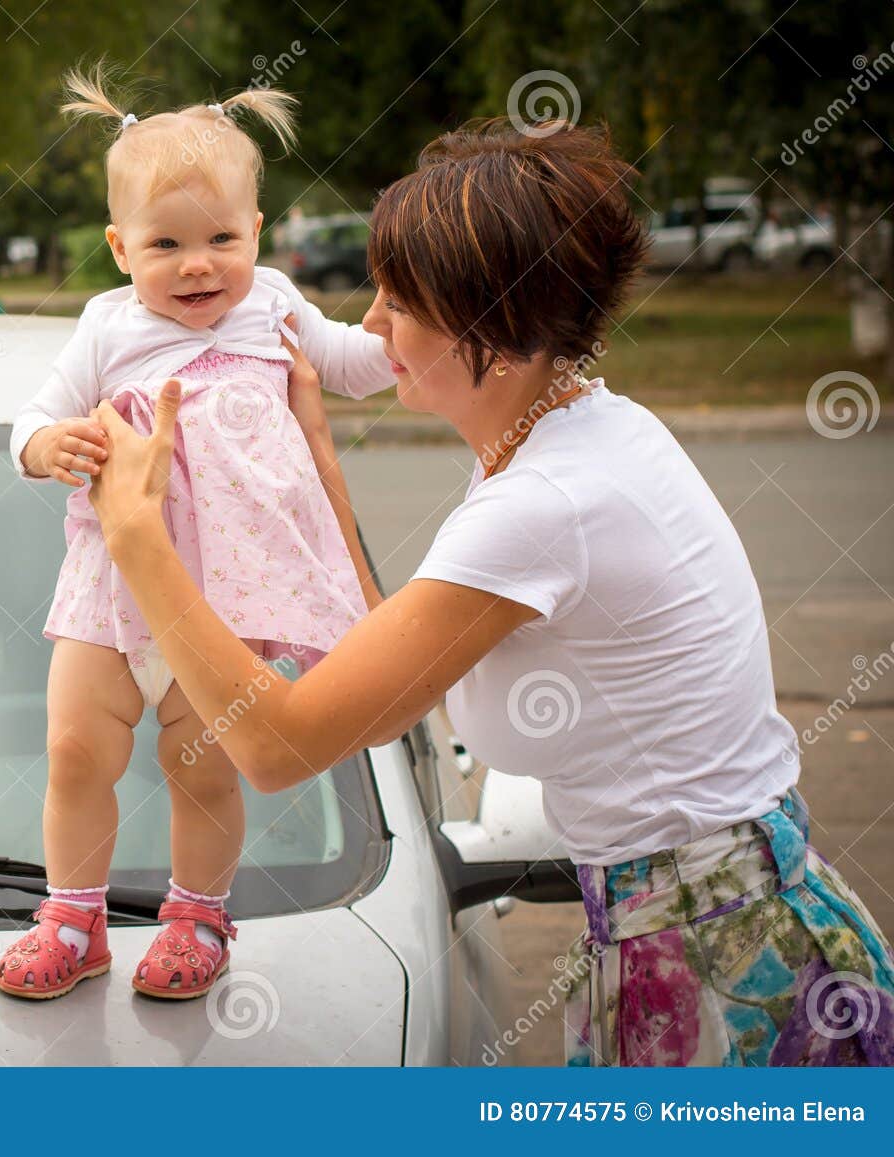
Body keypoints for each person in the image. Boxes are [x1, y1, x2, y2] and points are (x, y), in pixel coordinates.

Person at [83, 117, 894, 1064]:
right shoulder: (573, 435)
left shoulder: (546, 502)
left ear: (493, 335)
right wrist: (321, 465)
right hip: (703, 920)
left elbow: (271, 746)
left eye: (399, 303)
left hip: (720, 957)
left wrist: (138, 538)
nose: (371, 326)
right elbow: (390, 696)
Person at [0, 68, 396, 1001]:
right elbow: (27, 422)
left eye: (222, 238)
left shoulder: (279, 308)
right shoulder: (105, 326)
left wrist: (406, 317)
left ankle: (196, 914)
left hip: (223, 601)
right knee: (73, 751)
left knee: (201, 761)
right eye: (165, 244)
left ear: (260, 232)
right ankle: (73, 916)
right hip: (107, 589)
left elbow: (362, 366)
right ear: (118, 247)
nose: (198, 265)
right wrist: (51, 443)